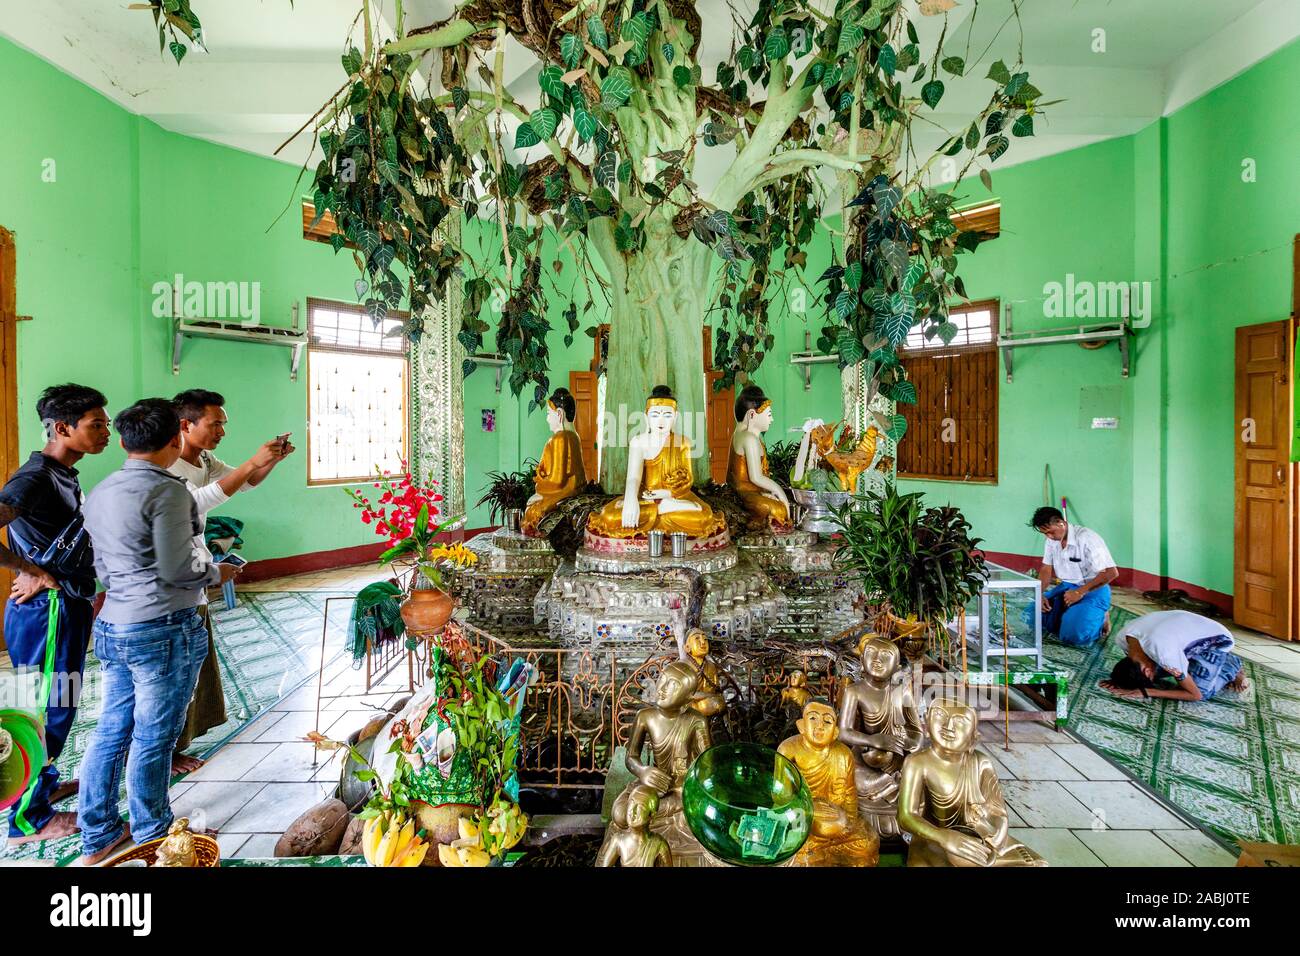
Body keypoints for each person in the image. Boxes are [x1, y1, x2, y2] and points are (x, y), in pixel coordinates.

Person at [77, 399, 239, 865]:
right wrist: (218, 573)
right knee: (154, 736)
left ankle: (98, 834)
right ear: (175, 439)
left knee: (112, 730)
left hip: (114, 624)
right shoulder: (169, 491)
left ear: (123, 441)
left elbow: (101, 566)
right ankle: (153, 833)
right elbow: (177, 569)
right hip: (162, 627)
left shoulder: (103, 490)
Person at [0, 384, 110, 845]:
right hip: (47, 613)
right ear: (62, 428)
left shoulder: (63, 474)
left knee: (56, 705)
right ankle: (28, 819)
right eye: (96, 424)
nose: (107, 432)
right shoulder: (35, 478)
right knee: (45, 709)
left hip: (64, 607)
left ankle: (40, 785)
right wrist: (31, 571)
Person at [166, 389, 294, 774]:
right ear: (185, 425)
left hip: (195, 573)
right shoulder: (168, 466)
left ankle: (179, 743)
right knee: (175, 672)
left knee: (195, 666)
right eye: (215, 424)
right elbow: (201, 501)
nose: (222, 431)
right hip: (175, 580)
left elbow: (245, 482)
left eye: (223, 424)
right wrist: (253, 460)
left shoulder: (204, 459)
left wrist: (269, 461)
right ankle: (165, 752)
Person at [1100, 609, 1248, 703]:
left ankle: (1232, 665)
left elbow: (1195, 695)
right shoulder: (1122, 639)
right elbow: (1132, 667)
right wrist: (1119, 679)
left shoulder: (1165, 655)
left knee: (1203, 692)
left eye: (1150, 676)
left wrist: (1146, 692)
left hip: (1216, 640)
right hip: (1188, 630)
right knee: (1155, 671)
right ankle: (1188, 663)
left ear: (1147, 671)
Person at [1029, 506, 1118, 647]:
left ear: (1061, 523)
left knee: (1074, 635)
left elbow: (1111, 572)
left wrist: (1079, 592)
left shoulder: (1088, 538)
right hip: (1066, 588)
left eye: (1051, 532)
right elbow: (1046, 568)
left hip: (1093, 589)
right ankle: (1070, 614)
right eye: (1045, 534)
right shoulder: (1051, 541)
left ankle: (1102, 617)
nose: (1049, 537)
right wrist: (1039, 594)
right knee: (1032, 616)